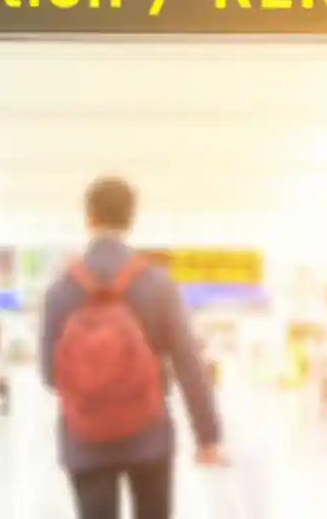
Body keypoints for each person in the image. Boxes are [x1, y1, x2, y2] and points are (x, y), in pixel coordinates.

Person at [42, 176, 226, 519]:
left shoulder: (61, 289)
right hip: (149, 435)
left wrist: (93, 388)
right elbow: (189, 362)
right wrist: (207, 436)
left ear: (89, 218)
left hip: (85, 438)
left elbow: (49, 374)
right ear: (131, 219)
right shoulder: (157, 283)